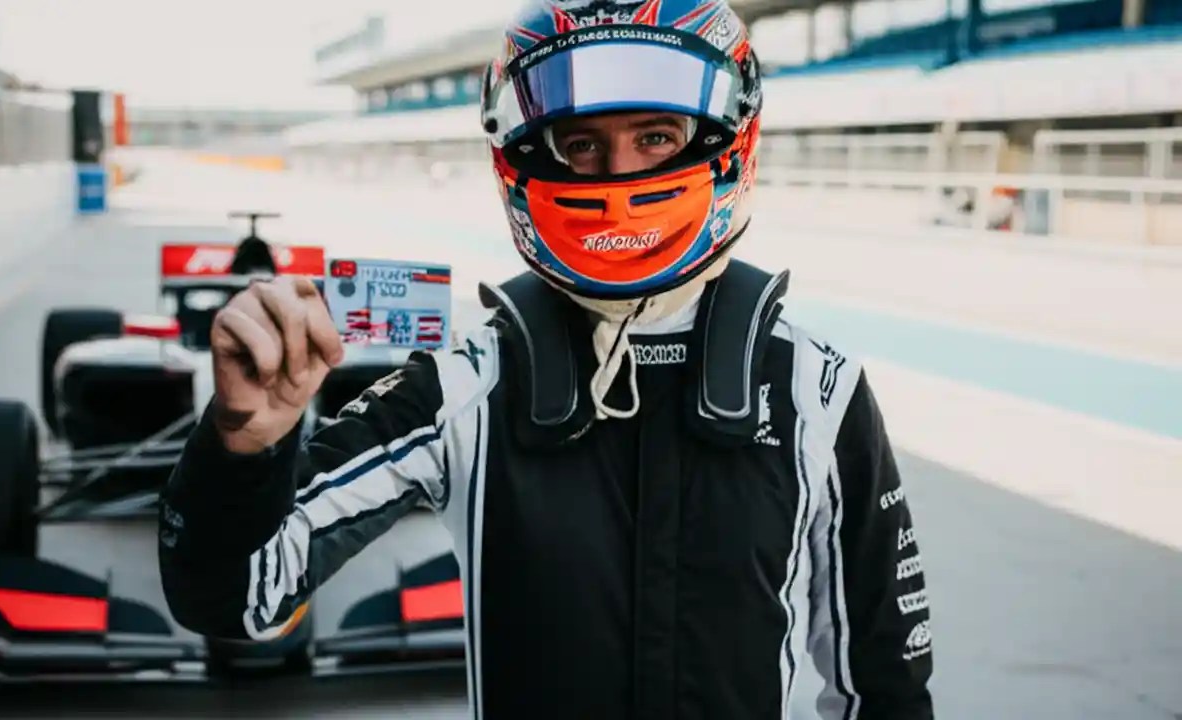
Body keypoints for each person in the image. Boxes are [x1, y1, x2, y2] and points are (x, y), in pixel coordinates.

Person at [157, 1, 935, 717]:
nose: (619, 176)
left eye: (655, 137)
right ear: (528, 158)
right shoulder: (468, 383)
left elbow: (888, 688)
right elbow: (236, 600)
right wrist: (242, 446)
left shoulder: (816, 388)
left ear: (725, 140)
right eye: (582, 144)